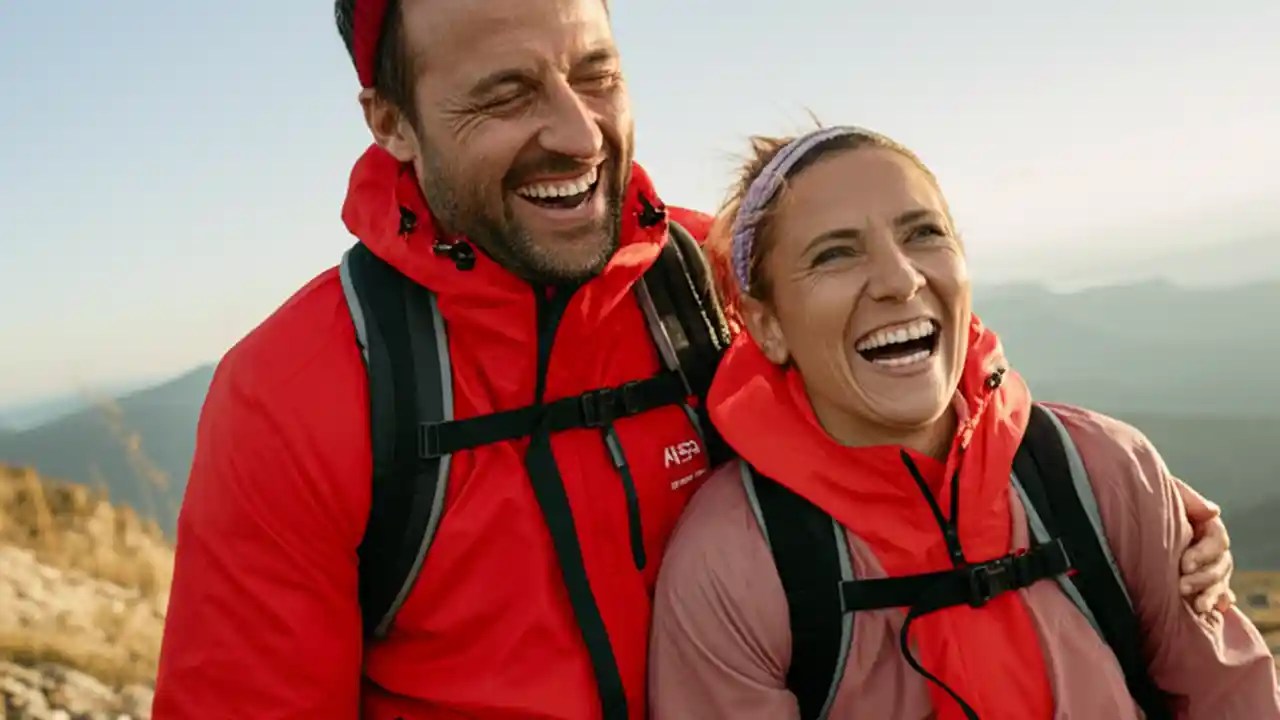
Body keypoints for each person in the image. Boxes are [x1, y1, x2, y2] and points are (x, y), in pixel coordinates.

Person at [151, 1, 1238, 718]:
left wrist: (1126, 499)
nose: (577, 134)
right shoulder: (303, 391)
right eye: (504, 95)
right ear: (390, 122)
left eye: (594, 74)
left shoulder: (718, 279)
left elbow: (920, 369)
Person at [648, 125, 1279, 719]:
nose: (900, 278)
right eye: (835, 254)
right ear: (768, 325)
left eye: (924, 233)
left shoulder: (1101, 473)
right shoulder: (732, 565)